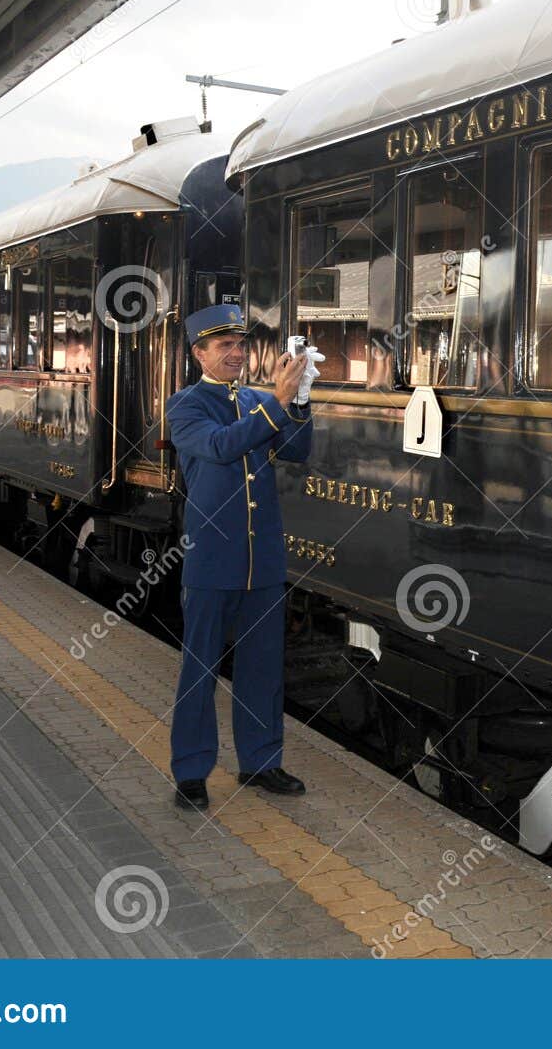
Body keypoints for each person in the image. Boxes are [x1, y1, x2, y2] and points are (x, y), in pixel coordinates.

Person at [165, 304, 316, 810]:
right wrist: (279, 400)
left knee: (262, 668)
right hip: (213, 559)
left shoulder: (257, 399)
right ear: (199, 354)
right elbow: (224, 446)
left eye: (241, 345)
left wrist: (301, 403)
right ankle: (191, 770)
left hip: (262, 560)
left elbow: (295, 450)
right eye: (223, 346)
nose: (236, 353)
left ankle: (260, 762)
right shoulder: (185, 405)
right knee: (200, 669)